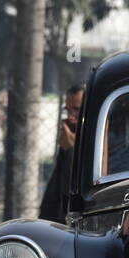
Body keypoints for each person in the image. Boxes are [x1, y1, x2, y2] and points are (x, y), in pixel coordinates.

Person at [38, 83, 84, 222]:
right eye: (68, 111)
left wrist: (71, 150)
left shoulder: (101, 142)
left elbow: (78, 185)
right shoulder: (67, 140)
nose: (71, 117)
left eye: (76, 110)